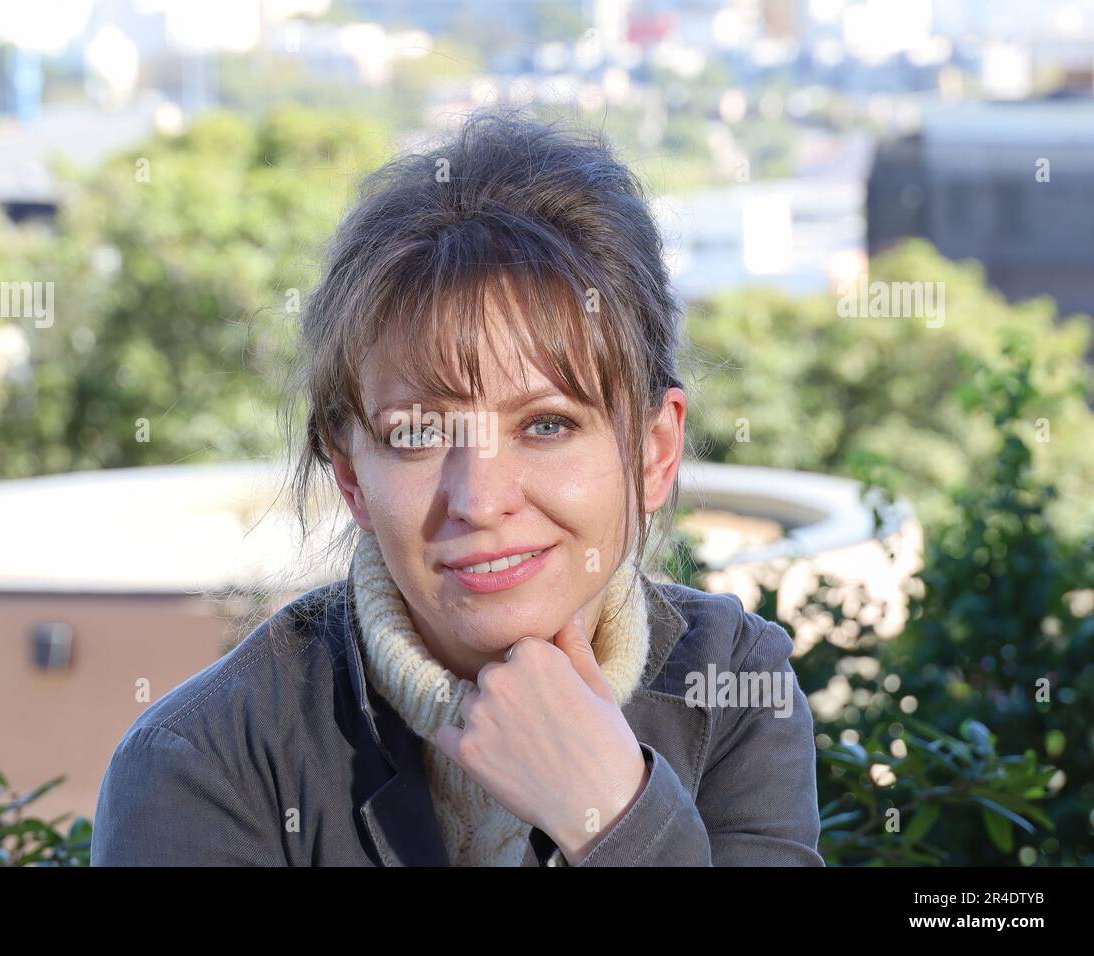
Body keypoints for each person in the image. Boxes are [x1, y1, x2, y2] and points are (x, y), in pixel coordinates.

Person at [92, 108, 823, 866]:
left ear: (654, 449)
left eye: (546, 425)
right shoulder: (203, 765)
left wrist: (611, 816)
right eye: (416, 433)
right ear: (349, 472)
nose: (479, 500)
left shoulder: (729, 686)